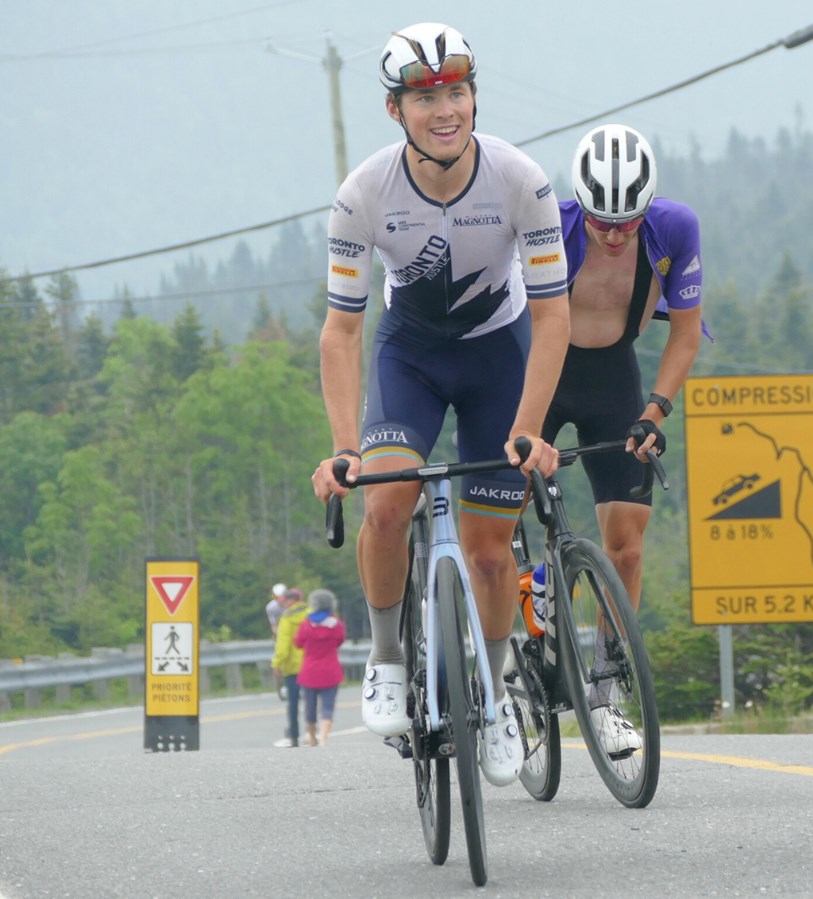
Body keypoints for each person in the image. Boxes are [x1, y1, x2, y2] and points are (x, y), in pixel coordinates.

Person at [309, 22, 566, 788]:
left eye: (457, 93)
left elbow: (552, 316)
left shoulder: (522, 181)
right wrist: (344, 446)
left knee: (490, 552)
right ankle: (387, 654)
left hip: (498, 355)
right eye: (426, 99)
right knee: (387, 501)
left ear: (475, 97)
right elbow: (342, 331)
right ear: (396, 110)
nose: (445, 110)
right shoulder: (363, 194)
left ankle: (495, 698)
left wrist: (529, 429)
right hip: (411, 356)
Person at [545, 123, 704, 755]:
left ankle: (606, 693)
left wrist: (654, 412)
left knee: (627, 549)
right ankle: (513, 643)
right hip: (540, 373)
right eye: (601, 222)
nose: (614, 235)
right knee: (495, 525)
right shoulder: (551, 227)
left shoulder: (675, 229)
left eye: (627, 223)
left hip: (614, 377)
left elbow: (685, 333)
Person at [295, 589, 348, 749]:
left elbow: (298, 643)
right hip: (330, 671)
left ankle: (312, 737)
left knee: (309, 707)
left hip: (309, 671)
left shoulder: (306, 625)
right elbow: (340, 641)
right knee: (327, 706)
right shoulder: (336, 624)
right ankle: (324, 737)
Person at [270, 588, 310, 747]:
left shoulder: (287, 618)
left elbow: (284, 645)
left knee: (292, 703)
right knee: (311, 701)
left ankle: (294, 735)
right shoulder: (310, 615)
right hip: (309, 665)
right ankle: (312, 733)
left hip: (292, 668)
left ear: (290, 601)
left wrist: (276, 664)